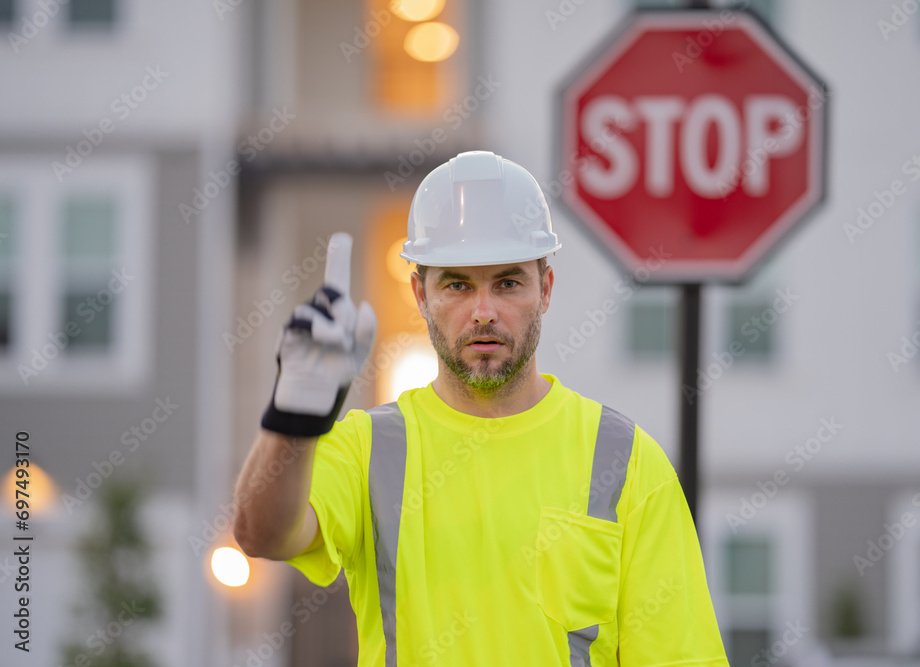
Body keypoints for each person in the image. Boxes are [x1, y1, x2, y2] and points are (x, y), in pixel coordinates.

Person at [233, 151, 729, 667]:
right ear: (421, 295)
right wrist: (291, 419)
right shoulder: (368, 449)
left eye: (508, 283)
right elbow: (261, 532)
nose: (484, 311)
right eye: (457, 284)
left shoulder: (625, 462)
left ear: (546, 290)